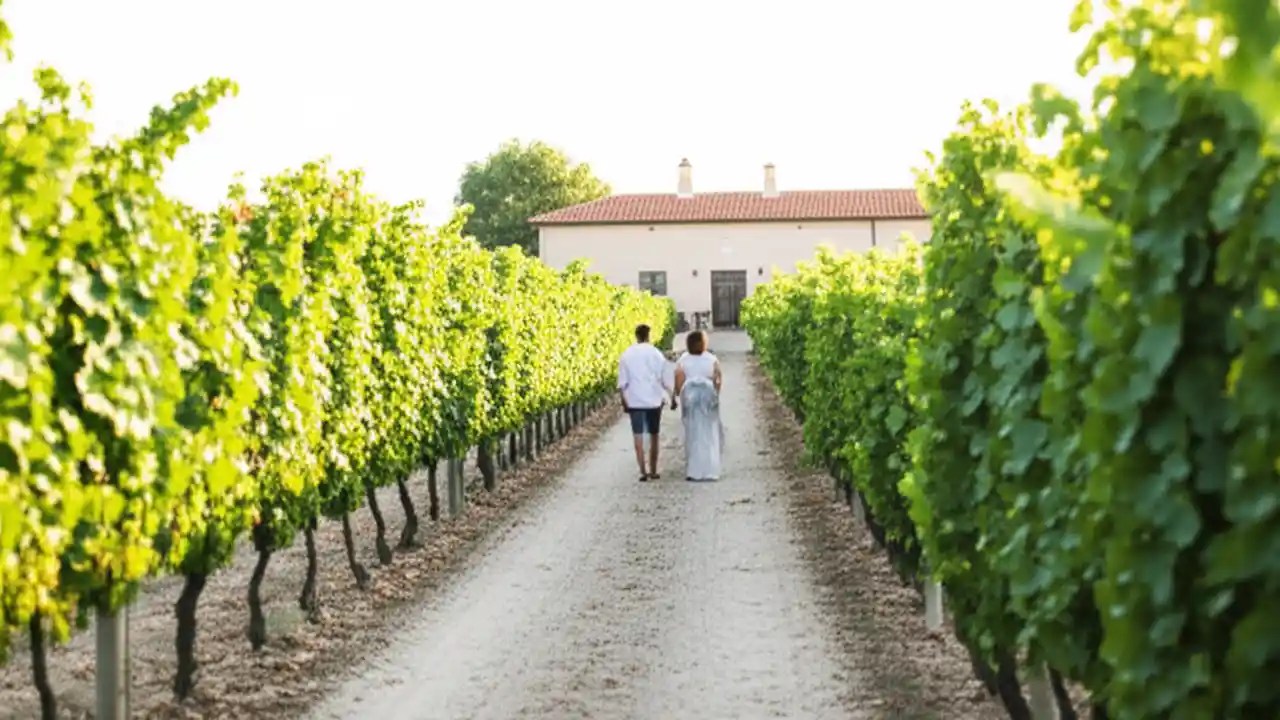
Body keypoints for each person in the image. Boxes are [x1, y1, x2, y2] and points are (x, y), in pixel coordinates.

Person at [617, 324, 673, 481]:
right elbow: (664, 379)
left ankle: (643, 471)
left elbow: (622, 383)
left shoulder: (627, 355)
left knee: (638, 436)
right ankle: (654, 470)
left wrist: (624, 400)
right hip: (654, 400)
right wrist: (671, 396)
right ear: (649, 336)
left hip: (634, 400)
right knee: (654, 435)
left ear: (636, 336)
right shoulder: (656, 354)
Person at [673, 330, 723, 481]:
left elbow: (679, 380)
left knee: (693, 433)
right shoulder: (712, 359)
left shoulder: (683, 360)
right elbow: (718, 379)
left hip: (691, 398)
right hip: (707, 397)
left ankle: (693, 470)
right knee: (710, 433)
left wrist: (678, 396)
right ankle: (710, 469)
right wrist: (715, 395)